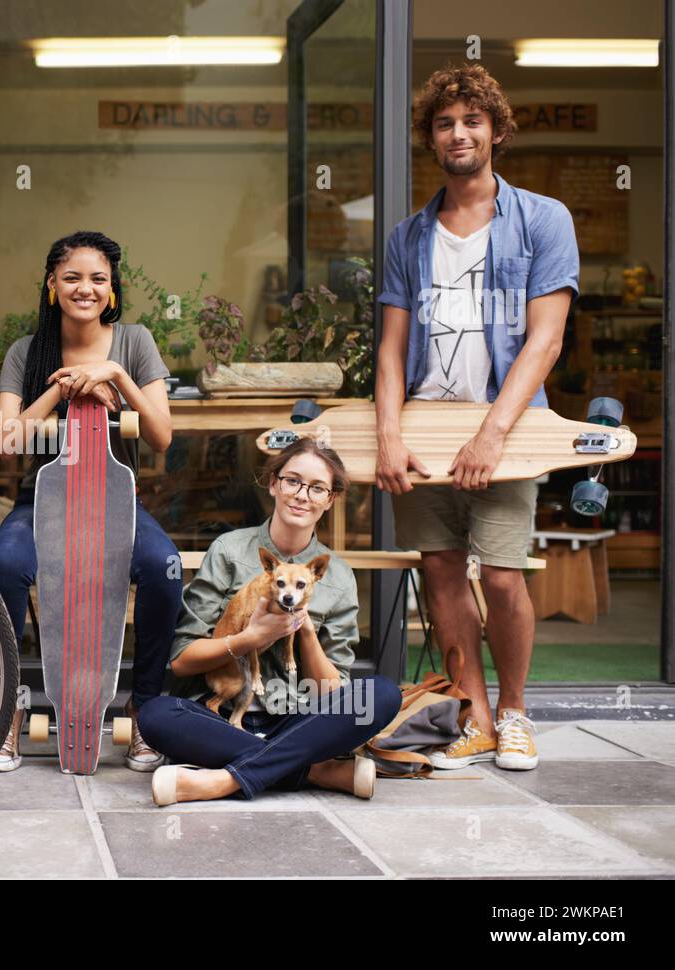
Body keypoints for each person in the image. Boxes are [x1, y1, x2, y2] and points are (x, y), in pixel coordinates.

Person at [376, 64, 579, 772]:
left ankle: (517, 710)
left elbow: (545, 339)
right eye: (443, 123)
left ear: (496, 131)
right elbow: (393, 347)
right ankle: (476, 715)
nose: (457, 133)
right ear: (430, 138)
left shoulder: (543, 220)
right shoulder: (409, 236)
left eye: (471, 121)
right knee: (439, 571)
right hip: (425, 427)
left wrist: (493, 432)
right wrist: (389, 433)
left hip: (509, 431)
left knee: (499, 575)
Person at [0, 230, 179, 772]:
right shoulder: (27, 352)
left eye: (98, 279)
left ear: (112, 291)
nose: (85, 289)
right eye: (72, 277)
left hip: (117, 500)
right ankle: (7, 712)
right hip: (41, 503)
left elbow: (162, 435)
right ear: (52, 285)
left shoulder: (135, 343)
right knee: (3, 566)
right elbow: (6, 445)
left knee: (163, 569)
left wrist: (115, 375)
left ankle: (144, 712)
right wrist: (62, 388)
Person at [138, 440, 403, 805]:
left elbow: (331, 693)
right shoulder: (230, 550)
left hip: (298, 718)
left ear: (331, 499)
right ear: (273, 483)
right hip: (224, 717)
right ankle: (313, 771)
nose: (302, 495)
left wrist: (305, 630)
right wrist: (250, 638)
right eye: (292, 481)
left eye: (317, 488)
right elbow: (182, 661)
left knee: (382, 694)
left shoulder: (337, 577)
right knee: (156, 715)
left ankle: (221, 781)